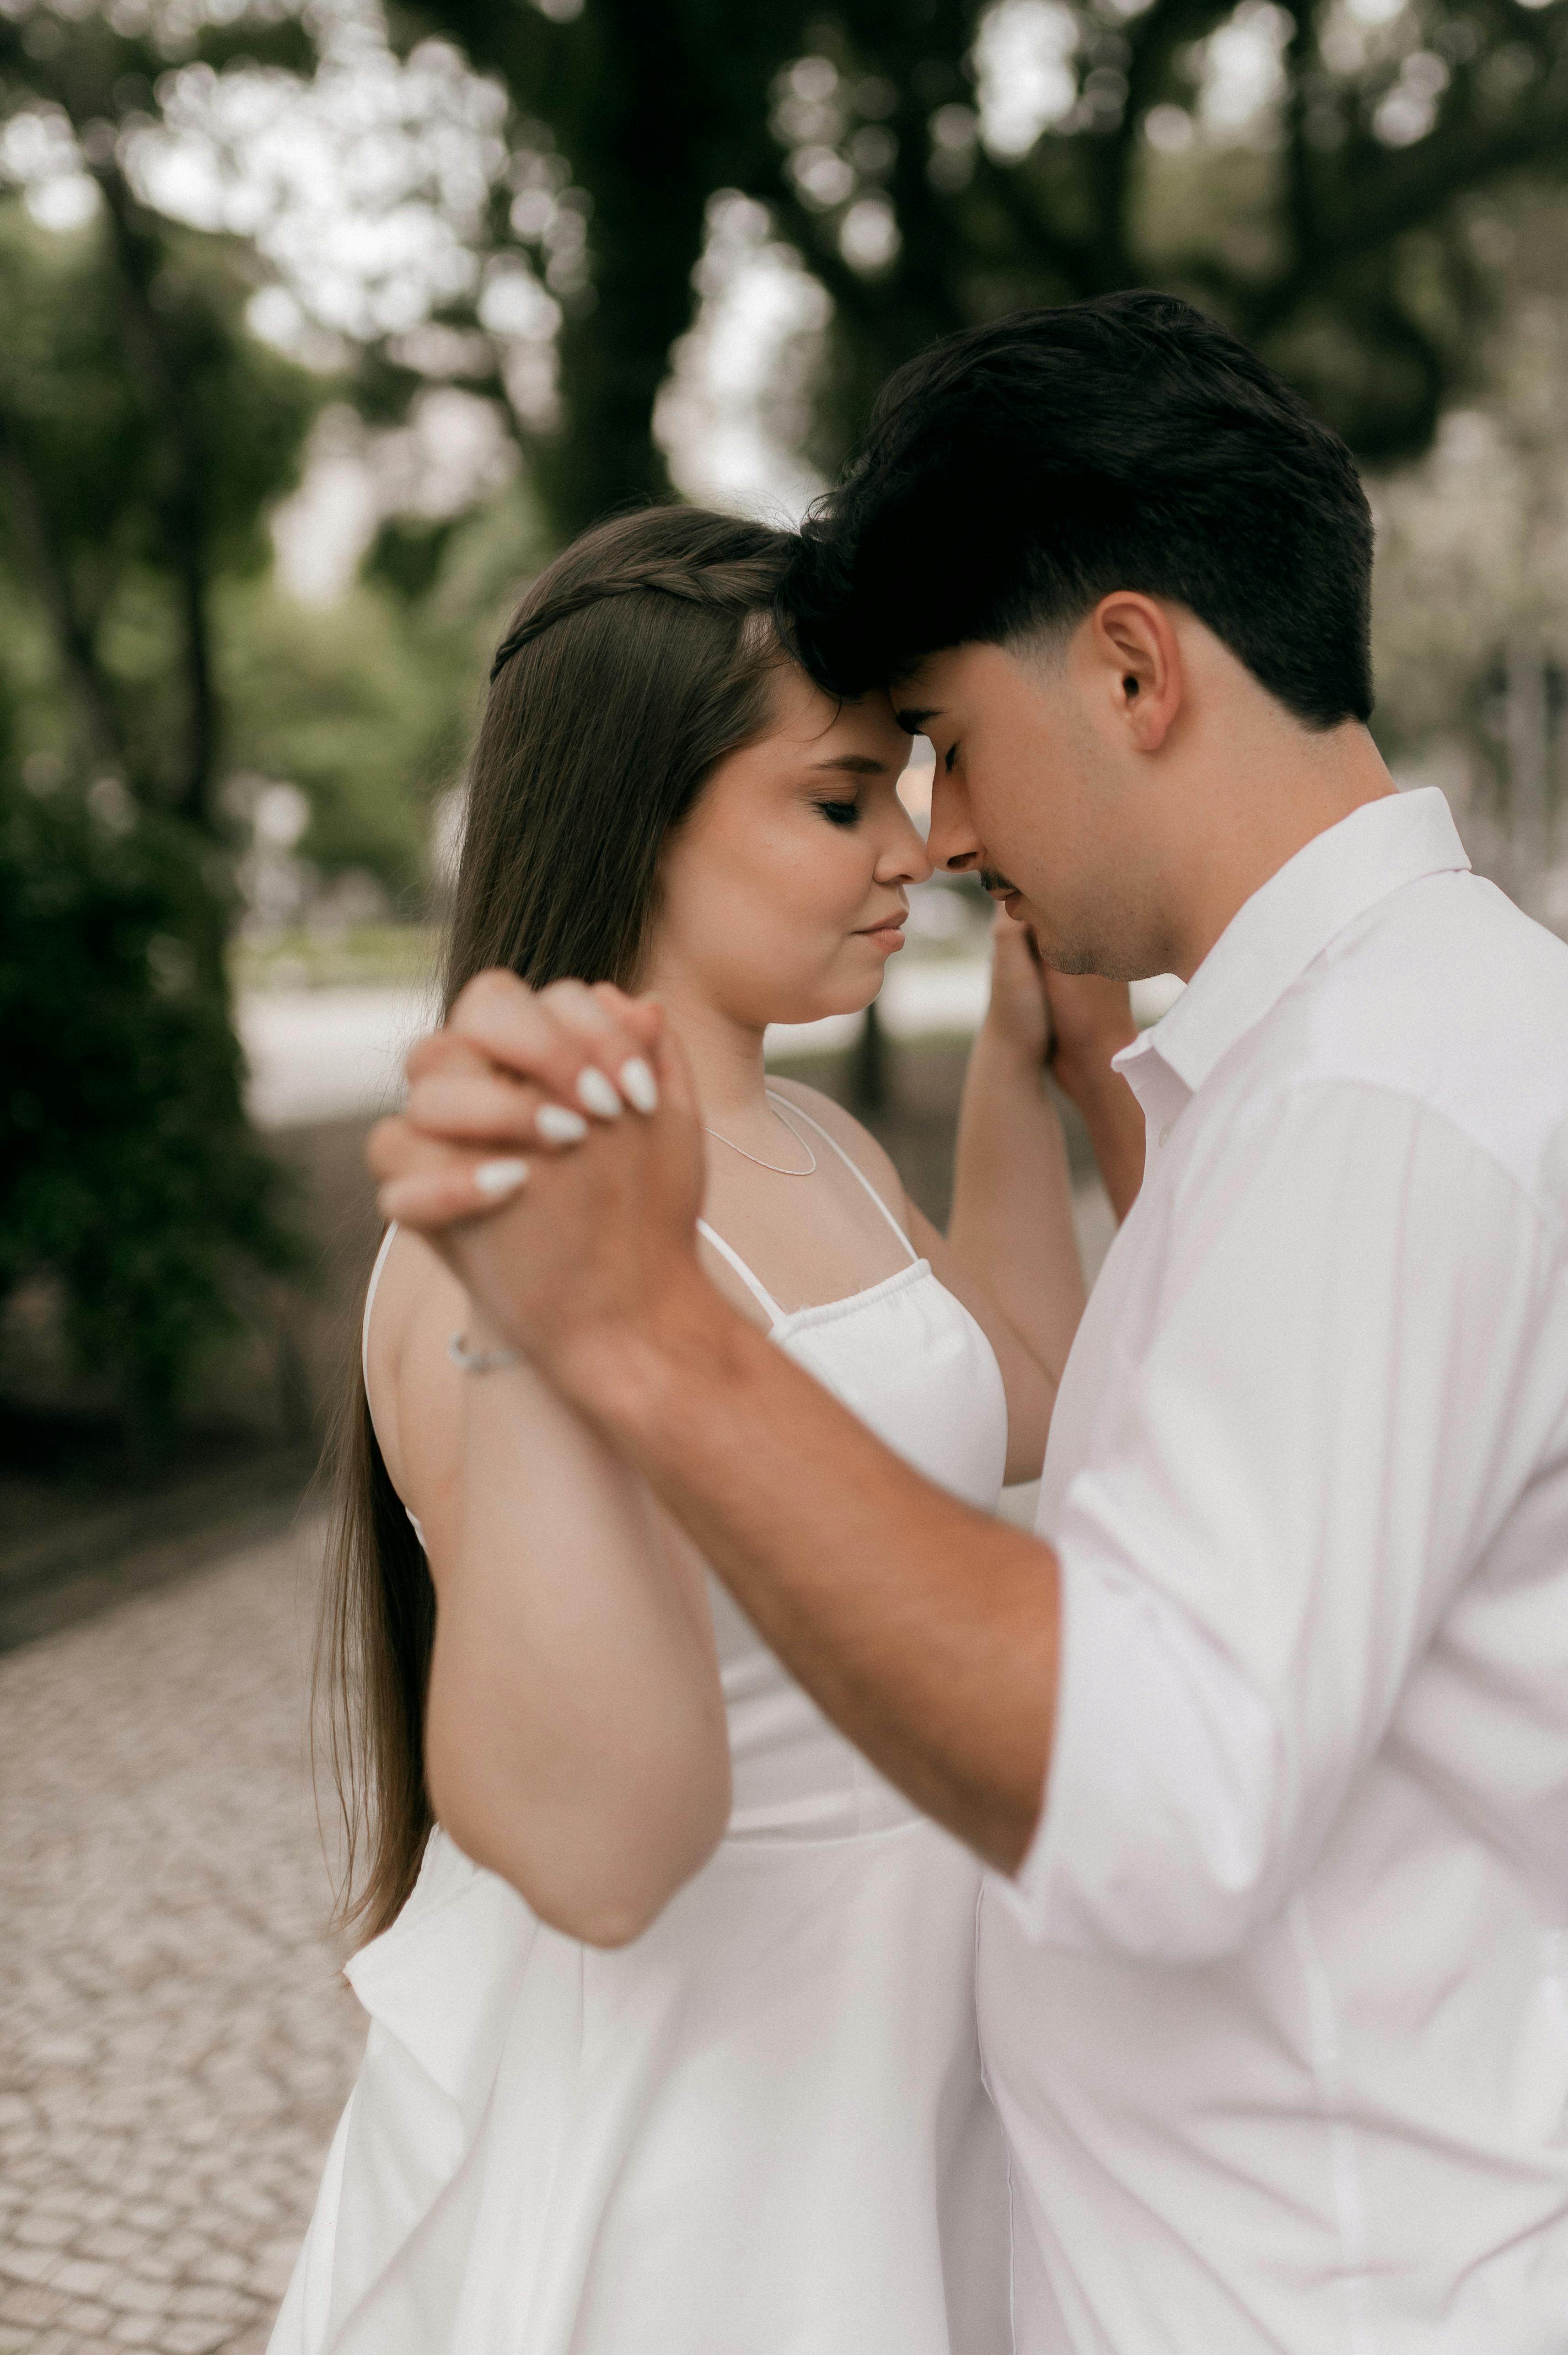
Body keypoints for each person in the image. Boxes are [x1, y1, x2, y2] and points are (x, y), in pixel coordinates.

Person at [377, 290, 1568, 2355]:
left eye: (941, 741)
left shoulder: (1372, 1105)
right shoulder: (1363, 1052)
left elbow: (1156, 1782)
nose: (938, 837)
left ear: (1128, 667)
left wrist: (647, 1335)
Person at [275, 504, 1129, 2355]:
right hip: (707, 2129)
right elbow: (598, 1846)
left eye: (905, 787)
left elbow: (1022, 1414)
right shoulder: (490, 1244)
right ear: (635, 813)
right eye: (838, 802)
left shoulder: (814, 1142)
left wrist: (1016, 1071)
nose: (913, 849)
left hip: (932, 2050)